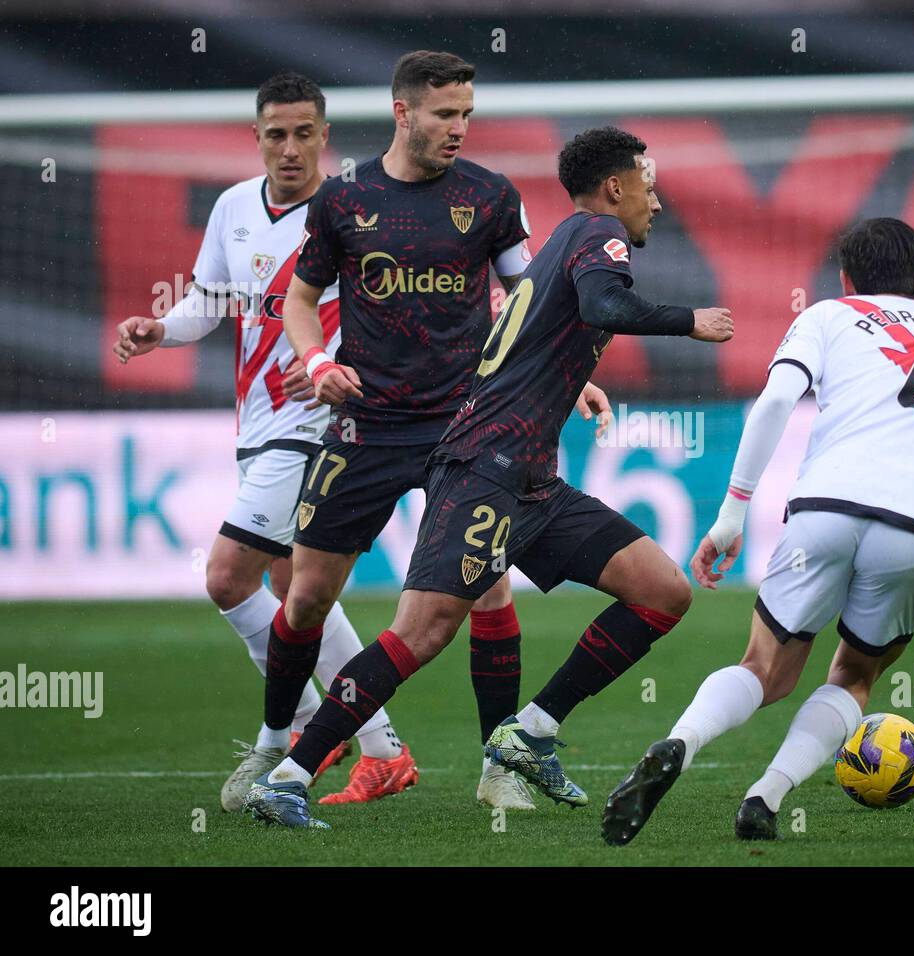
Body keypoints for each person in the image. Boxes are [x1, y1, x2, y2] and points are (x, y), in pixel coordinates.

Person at [244, 126, 733, 829]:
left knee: (661, 590)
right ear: (616, 187)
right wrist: (691, 322)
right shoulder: (601, 232)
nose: (656, 202)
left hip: (530, 475)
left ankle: (529, 732)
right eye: (649, 187)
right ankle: (288, 775)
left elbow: (547, 331)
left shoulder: (568, 237)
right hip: (484, 467)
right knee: (421, 632)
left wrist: (575, 382)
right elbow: (604, 307)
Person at [602, 217, 914, 844]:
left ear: (845, 278)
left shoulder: (829, 315)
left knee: (765, 667)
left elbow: (778, 401)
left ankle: (680, 740)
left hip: (827, 506)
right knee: (854, 677)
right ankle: (767, 795)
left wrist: (732, 513)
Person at [112, 72, 409, 809]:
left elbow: (398, 315)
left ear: (324, 137)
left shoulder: (353, 211)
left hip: (320, 426)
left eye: (304, 132)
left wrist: (341, 367)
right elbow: (208, 302)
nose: (290, 147)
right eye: (276, 133)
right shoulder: (234, 207)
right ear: (256, 137)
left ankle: (305, 723)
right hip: (255, 423)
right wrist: (161, 331)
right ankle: (381, 748)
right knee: (295, 586)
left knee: (226, 577)